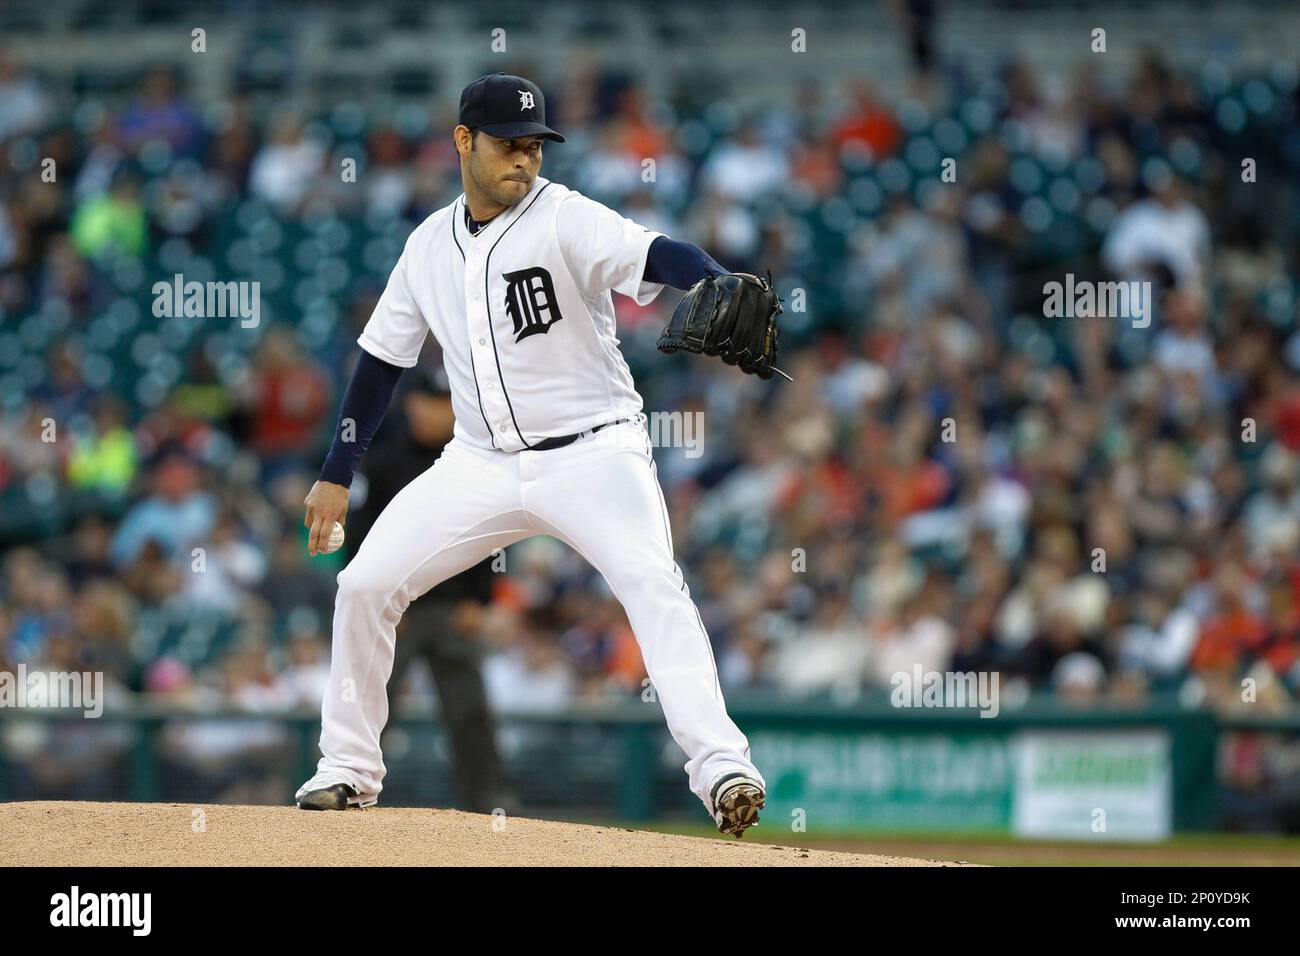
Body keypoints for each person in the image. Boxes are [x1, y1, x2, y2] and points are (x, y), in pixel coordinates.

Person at [294, 73, 766, 836]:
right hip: (478, 463)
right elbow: (381, 363)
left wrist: (713, 277)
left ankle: (722, 769)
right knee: (364, 584)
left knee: (652, 584)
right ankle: (346, 770)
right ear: (462, 142)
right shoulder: (424, 247)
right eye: (509, 145)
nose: (526, 160)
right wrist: (333, 476)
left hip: (594, 453)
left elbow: (656, 253)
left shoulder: (564, 217)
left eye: (535, 145)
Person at [351, 363, 517, 815]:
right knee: (371, 706)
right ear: (410, 404)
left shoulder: (475, 460)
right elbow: (359, 540)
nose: (436, 411)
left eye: (446, 402)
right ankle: (348, 785)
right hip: (399, 609)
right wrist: (379, 606)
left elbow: (495, 535)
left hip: (452, 608)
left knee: (469, 711)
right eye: (429, 401)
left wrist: (478, 601)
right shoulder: (384, 464)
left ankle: (487, 802)